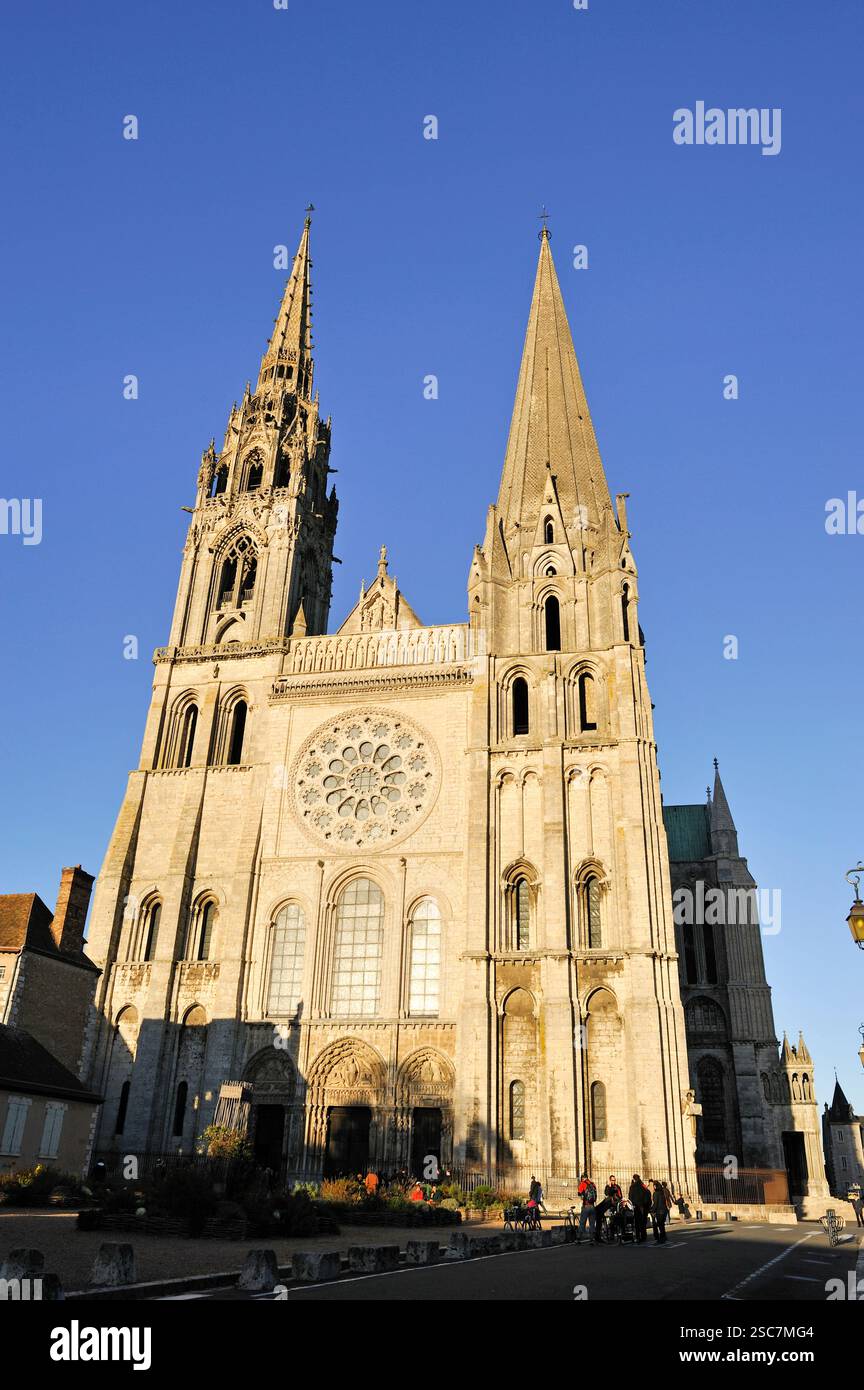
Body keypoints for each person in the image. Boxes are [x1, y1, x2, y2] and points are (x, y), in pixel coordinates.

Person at [593, 1175, 623, 1245]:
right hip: (608, 1203)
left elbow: (620, 1196)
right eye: (612, 1180)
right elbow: (606, 1193)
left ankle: (600, 1234)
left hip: (614, 1204)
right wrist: (609, 1187)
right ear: (610, 1180)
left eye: (614, 1180)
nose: (613, 1181)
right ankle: (598, 1234)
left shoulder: (617, 1187)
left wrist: (613, 1194)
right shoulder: (608, 1186)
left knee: (606, 1203)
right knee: (599, 1210)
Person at [629, 1173, 651, 1244]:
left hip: (636, 1206)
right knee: (643, 1222)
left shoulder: (632, 1186)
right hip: (643, 1206)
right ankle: (643, 1236)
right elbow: (648, 1193)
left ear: (634, 1179)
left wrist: (632, 1204)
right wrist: (646, 1204)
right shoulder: (642, 1185)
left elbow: (630, 1197)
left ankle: (638, 1236)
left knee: (637, 1222)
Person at [576, 1173, 597, 1243]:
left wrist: (582, 1195)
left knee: (582, 1222)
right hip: (593, 1206)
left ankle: (578, 1238)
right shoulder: (593, 1184)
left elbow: (579, 1193)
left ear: (583, 1178)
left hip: (586, 1206)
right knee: (592, 1224)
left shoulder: (583, 1184)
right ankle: (592, 1239)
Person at [650, 1179, 669, 1245]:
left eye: (653, 1186)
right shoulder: (662, 1192)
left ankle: (661, 1238)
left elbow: (655, 1203)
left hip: (659, 1211)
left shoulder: (656, 1193)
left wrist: (652, 1210)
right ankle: (664, 1237)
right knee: (662, 1225)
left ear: (655, 1186)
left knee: (660, 1225)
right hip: (664, 1210)